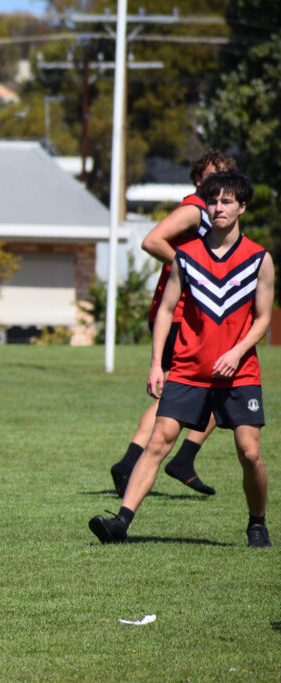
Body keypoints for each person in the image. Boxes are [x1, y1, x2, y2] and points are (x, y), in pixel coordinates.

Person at [89, 171, 273, 548]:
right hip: (189, 369)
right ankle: (120, 523)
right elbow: (166, 309)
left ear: (242, 206)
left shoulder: (259, 259)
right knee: (158, 442)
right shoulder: (186, 256)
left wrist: (236, 352)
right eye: (213, 201)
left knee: (249, 452)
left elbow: (264, 318)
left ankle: (257, 523)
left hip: (239, 373)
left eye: (226, 201)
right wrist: (157, 363)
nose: (218, 207)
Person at [107, 150, 236, 497]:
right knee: (197, 389)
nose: (218, 182)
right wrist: (195, 266)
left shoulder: (216, 211)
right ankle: (149, 461)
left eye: (225, 174)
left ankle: (157, 460)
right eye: (212, 175)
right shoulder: (195, 208)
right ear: (198, 179)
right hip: (178, 317)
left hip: (193, 316)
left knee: (206, 388)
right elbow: (152, 240)